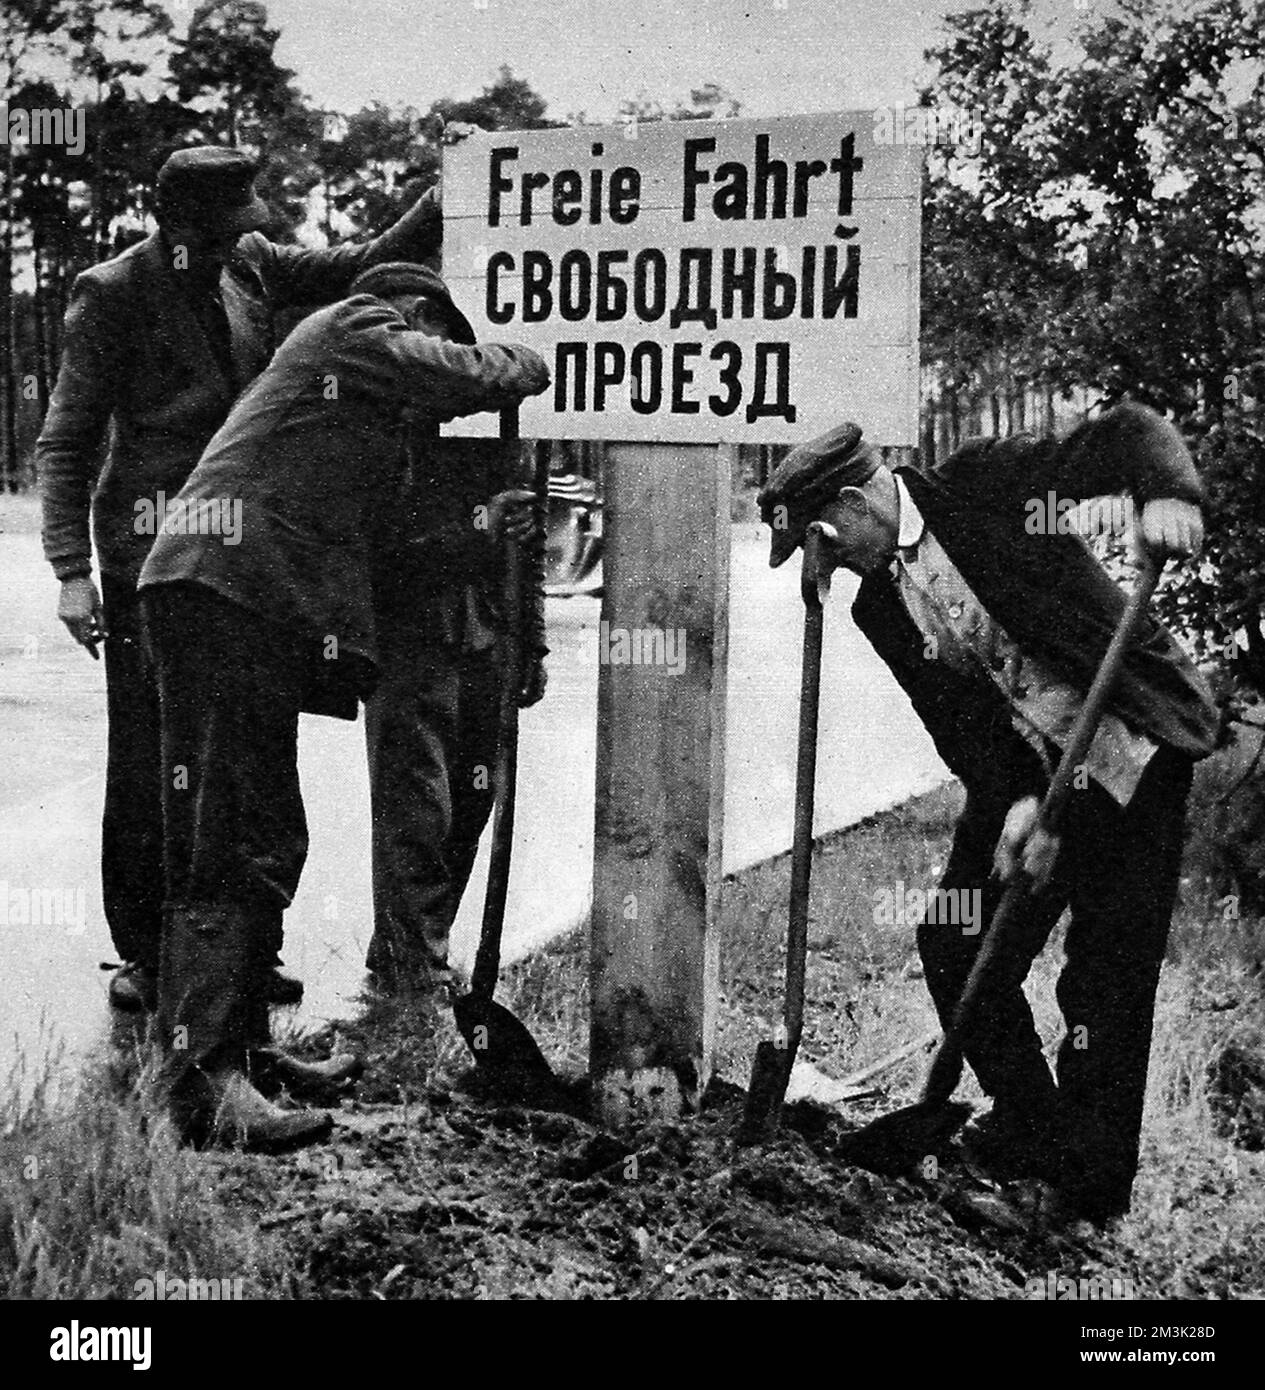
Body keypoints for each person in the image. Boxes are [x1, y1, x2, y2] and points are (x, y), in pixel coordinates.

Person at [757, 407, 1219, 1227]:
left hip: (1132, 748)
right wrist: (1012, 801)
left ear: (857, 508)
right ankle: (1033, 1130)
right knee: (955, 938)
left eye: (823, 541)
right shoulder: (881, 609)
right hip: (1039, 781)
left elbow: (1126, 434)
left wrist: (1165, 492)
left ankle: (1082, 1189)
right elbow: (960, 725)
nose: (827, 564)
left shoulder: (982, 485)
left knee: (1104, 979)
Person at [134, 262, 550, 1149]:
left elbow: (403, 539)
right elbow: (474, 373)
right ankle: (205, 1084)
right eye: (434, 335)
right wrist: (520, 358)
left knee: (265, 830)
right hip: (222, 592)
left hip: (247, 604)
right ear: (411, 318)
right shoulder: (350, 326)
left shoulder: (362, 423)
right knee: (230, 830)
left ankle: (240, 1047)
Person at [36, 145, 443, 1014]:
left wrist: (446, 190)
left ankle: (240, 957)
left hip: (242, 552)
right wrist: (72, 572)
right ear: (176, 222)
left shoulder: (251, 266)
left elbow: (358, 263)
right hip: (148, 555)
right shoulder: (110, 293)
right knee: (154, 757)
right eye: (225, 228)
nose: (241, 242)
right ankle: (149, 951)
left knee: (245, 755)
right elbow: (66, 440)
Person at [364, 386, 548, 997]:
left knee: (475, 795)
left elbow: (531, 545)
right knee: (419, 803)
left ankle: (417, 940)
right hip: (411, 638)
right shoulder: (391, 419)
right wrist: (479, 527)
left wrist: (532, 641)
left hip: (488, 633)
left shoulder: (510, 421)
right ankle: (412, 955)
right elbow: (380, 551)